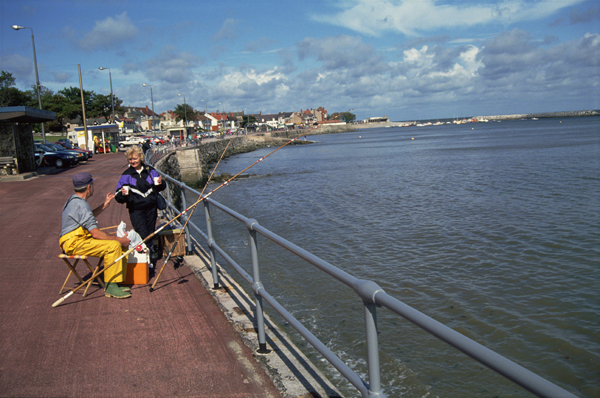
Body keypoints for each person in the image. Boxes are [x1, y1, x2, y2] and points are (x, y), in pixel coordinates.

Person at [59, 172, 131, 299]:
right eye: (92, 184)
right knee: (114, 245)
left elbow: (86, 217)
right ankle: (111, 286)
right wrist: (120, 239)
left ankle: (117, 281)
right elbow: (95, 233)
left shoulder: (73, 201)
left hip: (73, 241)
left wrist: (104, 205)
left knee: (116, 243)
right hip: (75, 243)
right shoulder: (81, 204)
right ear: (88, 187)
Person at [114, 146, 166, 274]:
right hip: (136, 209)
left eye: (135, 158)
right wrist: (123, 194)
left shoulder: (150, 171)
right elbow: (118, 197)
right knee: (142, 233)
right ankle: (147, 260)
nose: (133, 161)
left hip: (151, 208)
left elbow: (160, 186)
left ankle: (147, 257)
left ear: (141, 158)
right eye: (130, 159)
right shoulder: (126, 175)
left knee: (150, 231)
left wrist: (160, 183)